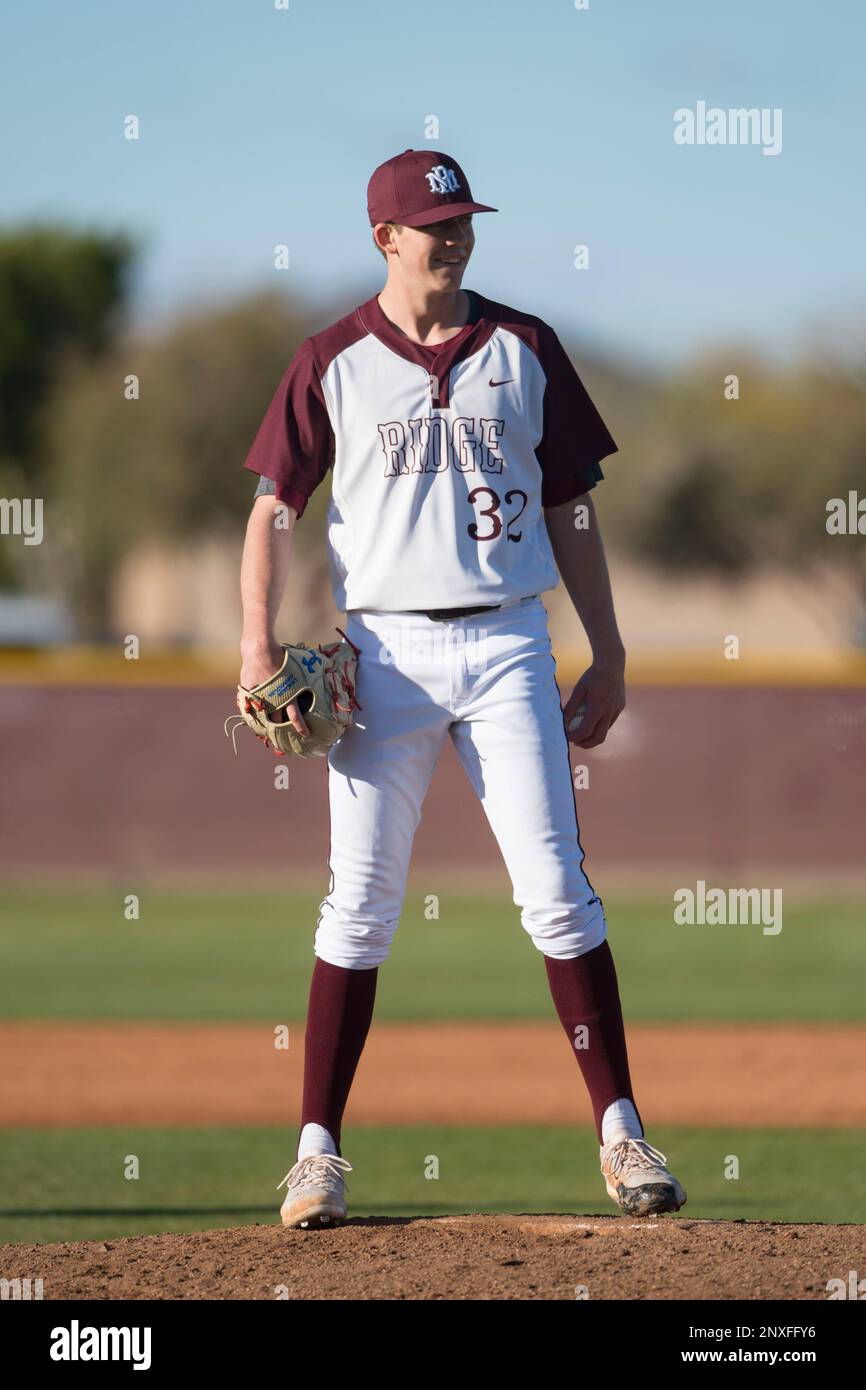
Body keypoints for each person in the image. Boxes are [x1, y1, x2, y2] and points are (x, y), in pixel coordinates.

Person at [237, 148, 686, 1228]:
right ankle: (315, 1156)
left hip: (506, 647)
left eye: (463, 217)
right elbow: (271, 510)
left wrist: (609, 651)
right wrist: (254, 645)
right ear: (384, 237)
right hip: (379, 656)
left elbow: (574, 508)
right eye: (434, 222)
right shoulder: (331, 357)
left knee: (557, 892)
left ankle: (621, 1135)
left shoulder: (525, 346)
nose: (456, 235)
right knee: (358, 906)